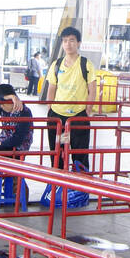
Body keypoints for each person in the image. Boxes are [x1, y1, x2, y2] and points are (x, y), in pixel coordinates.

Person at [42, 26, 92, 170]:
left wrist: (87, 110)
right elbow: (52, 87)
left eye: (71, 40)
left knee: (80, 153)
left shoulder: (85, 64)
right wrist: (50, 108)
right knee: (56, 152)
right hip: (57, 116)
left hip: (78, 116)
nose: (68, 44)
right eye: (65, 41)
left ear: (78, 43)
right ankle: (58, 185)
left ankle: (80, 187)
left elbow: (92, 88)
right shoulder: (56, 65)